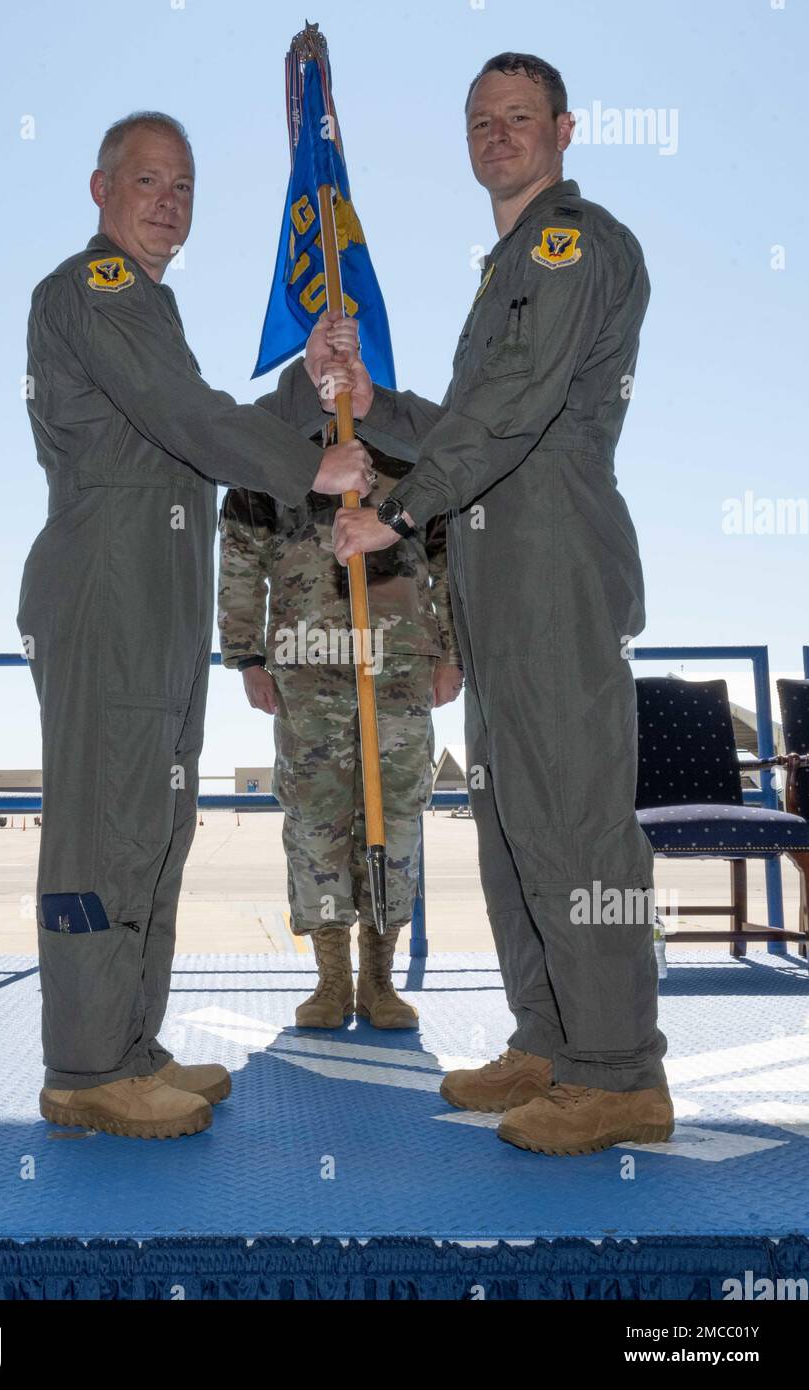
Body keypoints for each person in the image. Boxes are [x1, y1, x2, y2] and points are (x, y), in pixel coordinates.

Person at [294, 53, 672, 1156]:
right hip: (499, 581)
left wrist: (397, 514)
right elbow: (469, 417)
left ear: (562, 129)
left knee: (574, 821)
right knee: (511, 826)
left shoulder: (570, 242)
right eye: (479, 121)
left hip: (553, 570)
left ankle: (618, 1073)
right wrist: (374, 404)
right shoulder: (502, 263)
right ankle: (549, 1042)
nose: (496, 135)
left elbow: (511, 407)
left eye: (517, 118)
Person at [17, 111, 373, 1140]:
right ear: (100, 190)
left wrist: (302, 392)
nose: (167, 200)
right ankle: (85, 1066)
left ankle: (128, 1043)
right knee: (102, 828)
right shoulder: (97, 289)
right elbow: (189, 422)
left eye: (183, 186)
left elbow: (193, 421)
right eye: (147, 180)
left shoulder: (148, 311)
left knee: (152, 828)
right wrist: (312, 465)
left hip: (158, 595)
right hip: (107, 592)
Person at [218, 427, 463, 1030]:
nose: (339, 363)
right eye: (326, 343)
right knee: (314, 817)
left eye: (351, 347)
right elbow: (241, 559)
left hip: (401, 663)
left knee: (397, 816)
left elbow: (448, 562)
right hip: (307, 665)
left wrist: (455, 653)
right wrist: (247, 657)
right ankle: (331, 980)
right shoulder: (271, 461)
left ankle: (380, 980)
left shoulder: (411, 460)